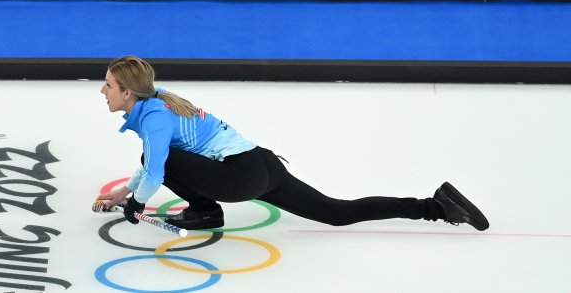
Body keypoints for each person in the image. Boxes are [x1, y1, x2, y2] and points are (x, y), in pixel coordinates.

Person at [95, 55, 489, 233]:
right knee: (337, 213)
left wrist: (136, 202)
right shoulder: (156, 98)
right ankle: (435, 207)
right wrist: (125, 192)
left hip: (239, 175)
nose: (102, 91)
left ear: (128, 92)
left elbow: (157, 168)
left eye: (108, 85)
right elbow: (158, 163)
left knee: (157, 157)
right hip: (261, 164)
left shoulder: (155, 118)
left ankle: (206, 211)